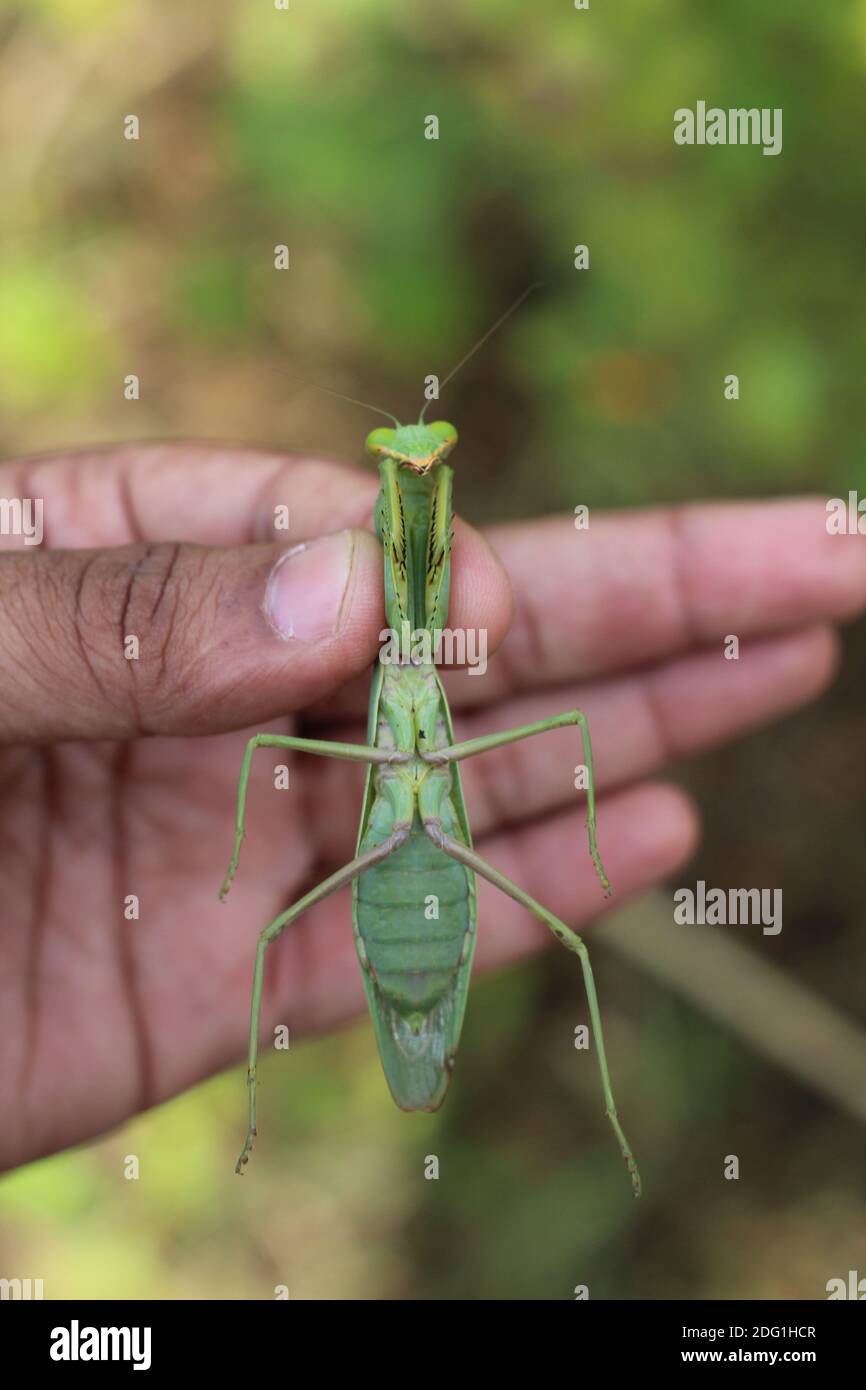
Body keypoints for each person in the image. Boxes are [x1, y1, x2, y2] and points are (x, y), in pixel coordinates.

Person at [1, 442, 862, 1171]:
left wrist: (593, 847)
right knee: (271, 910)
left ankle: (612, 1126)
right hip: (394, 853)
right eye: (400, 460)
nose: (415, 463)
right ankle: (256, 1120)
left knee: (575, 937)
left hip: (434, 849)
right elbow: (268, 739)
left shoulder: (430, 575)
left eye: (430, 457)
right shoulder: (371, 593)